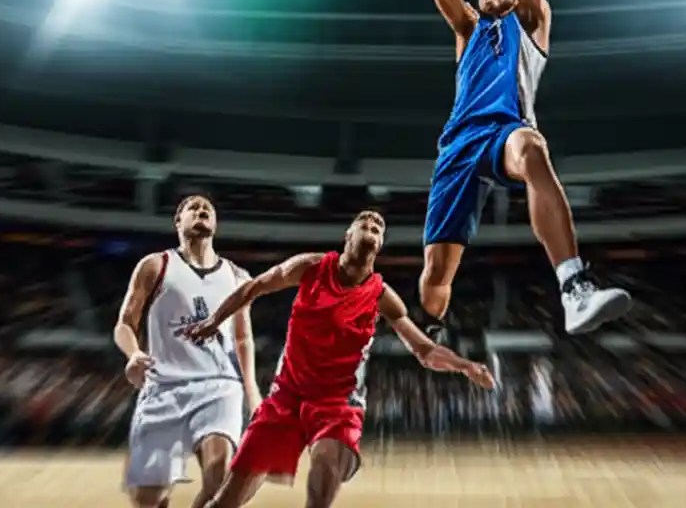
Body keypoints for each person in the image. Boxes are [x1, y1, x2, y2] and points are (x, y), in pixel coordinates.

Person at [417, 0, 631, 335]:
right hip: (457, 144)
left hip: (505, 132)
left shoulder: (531, 21)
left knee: (533, 148)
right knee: (435, 276)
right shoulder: (467, 29)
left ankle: (574, 287)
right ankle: (427, 336)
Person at [181, 210, 494, 508]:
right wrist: (212, 322)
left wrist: (464, 365)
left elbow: (424, 351)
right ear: (348, 235)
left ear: (380, 244)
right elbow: (253, 287)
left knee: (323, 476)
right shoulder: (310, 267)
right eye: (365, 222)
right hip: (287, 397)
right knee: (224, 502)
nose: (372, 225)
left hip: (338, 405)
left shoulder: (382, 297)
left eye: (378, 227)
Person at [114, 195, 262, 508]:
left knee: (219, 474)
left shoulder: (237, 277)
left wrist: (250, 388)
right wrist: (133, 354)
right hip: (164, 386)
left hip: (218, 384)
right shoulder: (155, 265)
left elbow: (243, 338)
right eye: (191, 207)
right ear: (177, 222)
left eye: (208, 207)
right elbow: (125, 323)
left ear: (216, 223)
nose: (201, 209)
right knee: (147, 499)